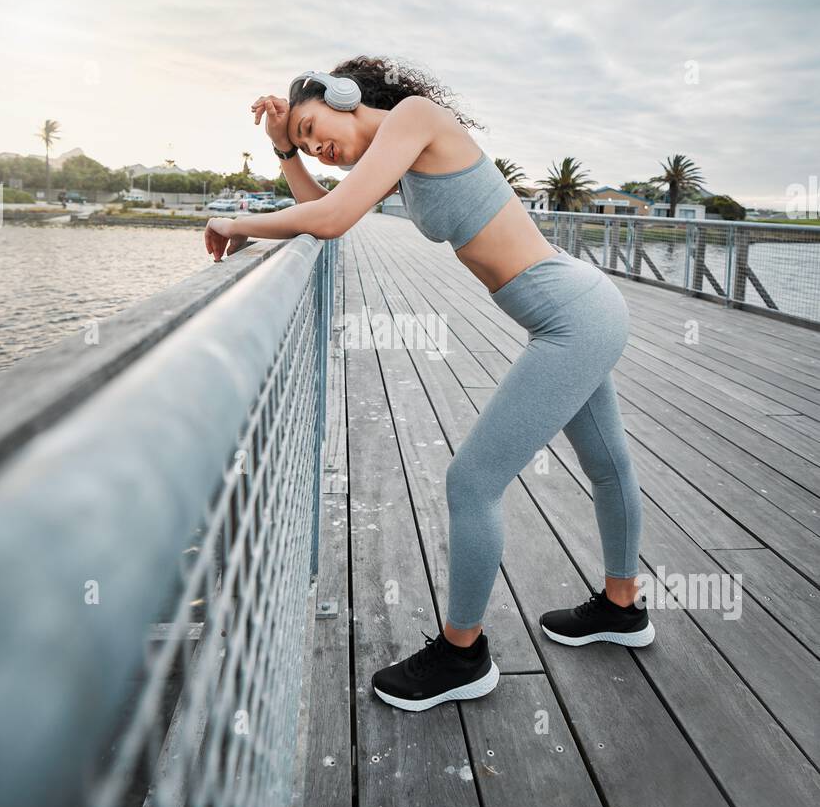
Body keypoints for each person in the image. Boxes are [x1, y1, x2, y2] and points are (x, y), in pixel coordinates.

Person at [204, 57, 653, 712]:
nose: (316, 148)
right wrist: (280, 147)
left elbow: (328, 220)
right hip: (571, 312)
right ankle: (622, 608)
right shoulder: (401, 157)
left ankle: (462, 654)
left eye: (311, 127)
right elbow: (324, 208)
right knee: (607, 463)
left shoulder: (415, 118)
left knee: (471, 481)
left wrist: (231, 223)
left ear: (344, 95)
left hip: (572, 315)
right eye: (303, 144)